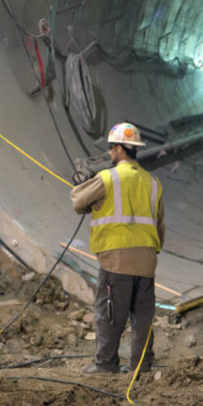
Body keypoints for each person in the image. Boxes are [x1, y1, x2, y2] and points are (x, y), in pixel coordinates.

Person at [71, 122, 164, 374]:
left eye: (112, 148)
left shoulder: (107, 178)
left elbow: (78, 201)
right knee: (142, 317)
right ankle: (140, 366)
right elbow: (160, 226)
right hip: (146, 260)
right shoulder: (153, 182)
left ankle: (105, 364)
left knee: (109, 313)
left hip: (116, 260)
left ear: (121, 149)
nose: (110, 152)